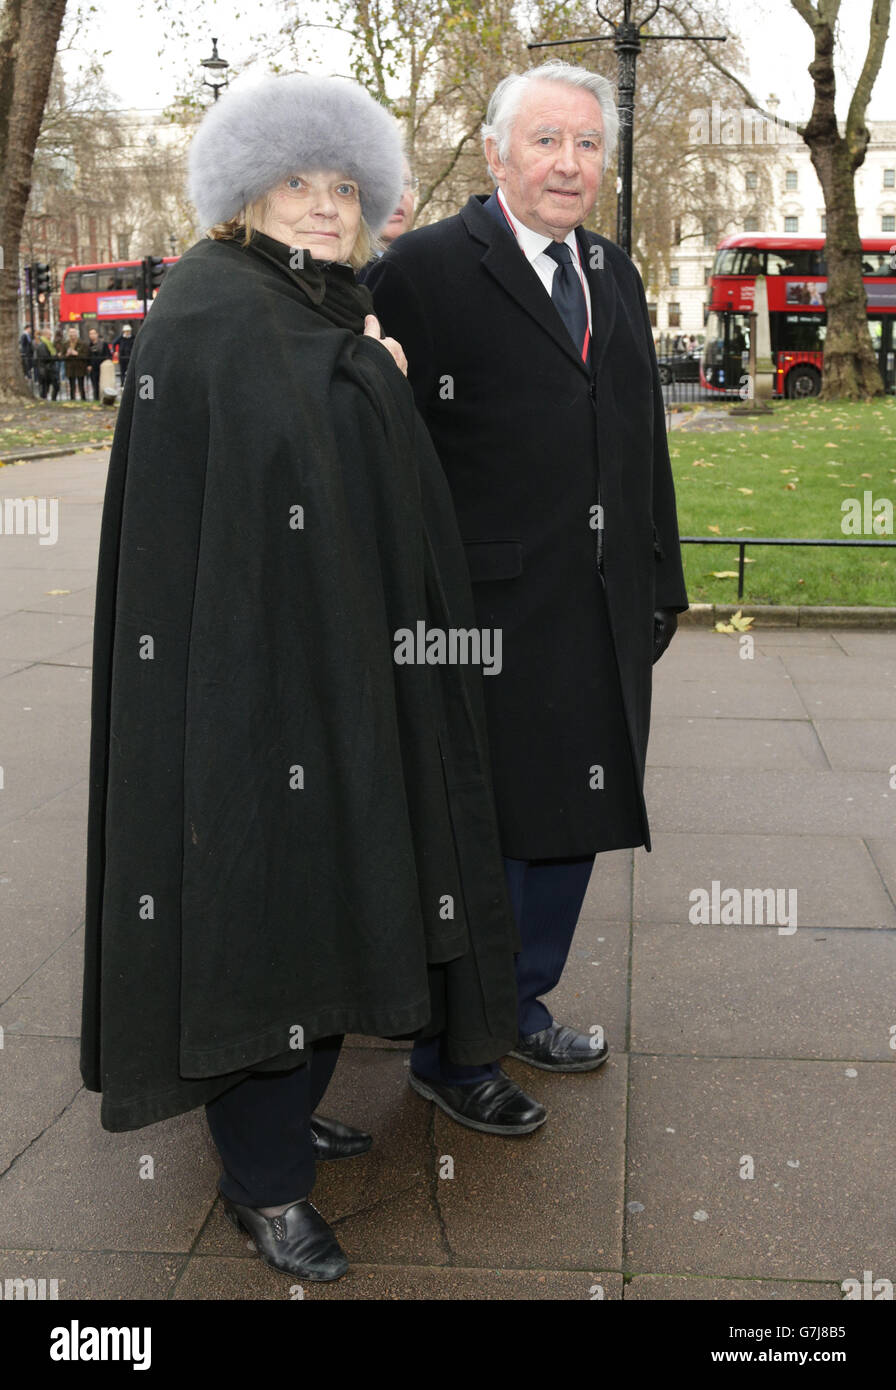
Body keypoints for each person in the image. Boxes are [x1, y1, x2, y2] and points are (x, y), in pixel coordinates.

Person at [81, 72, 519, 1287]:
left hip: (325, 656)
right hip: (249, 676)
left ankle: (279, 1122)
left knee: (328, 885)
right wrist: (374, 373)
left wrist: (364, 363)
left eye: (343, 185)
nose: (325, 204)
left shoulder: (312, 298)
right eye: (295, 182)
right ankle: (262, 1182)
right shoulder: (218, 304)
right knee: (268, 903)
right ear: (244, 193)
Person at [367, 60, 688, 1133]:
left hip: (600, 607)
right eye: (546, 140)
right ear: (495, 152)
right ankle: (452, 1053)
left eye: (587, 144)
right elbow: (379, 449)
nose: (568, 163)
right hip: (479, 619)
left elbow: (639, 433)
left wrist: (660, 576)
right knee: (482, 833)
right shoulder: (420, 269)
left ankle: (520, 1002)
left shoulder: (609, 268)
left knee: (575, 814)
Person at [357, 156, 417, 282]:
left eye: (405, 183)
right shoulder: (330, 274)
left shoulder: (433, 265)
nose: (398, 194)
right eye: (382, 184)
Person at [64, 327, 89, 399]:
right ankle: (72, 399)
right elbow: (61, 356)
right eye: (70, 333)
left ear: (76, 334)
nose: (72, 334)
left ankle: (83, 398)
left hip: (80, 367)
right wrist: (67, 354)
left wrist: (77, 354)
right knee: (72, 385)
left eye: (73, 332)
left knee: (81, 384)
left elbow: (86, 355)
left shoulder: (82, 344)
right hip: (70, 368)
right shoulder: (65, 344)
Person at [87, 327, 111, 400]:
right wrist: (88, 365)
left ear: (97, 334)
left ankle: (105, 398)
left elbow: (108, 355)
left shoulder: (104, 344)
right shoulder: (89, 345)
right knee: (95, 384)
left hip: (103, 368)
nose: (92, 335)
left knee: (104, 384)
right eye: (90, 334)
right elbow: (87, 356)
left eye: (93, 333)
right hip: (93, 368)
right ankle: (96, 398)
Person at [34, 330, 59, 399]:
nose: (50, 337)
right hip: (46, 370)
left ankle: (52, 399)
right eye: (49, 335)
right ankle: (46, 399)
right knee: (46, 388)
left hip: (49, 369)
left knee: (53, 386)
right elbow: (45, 357)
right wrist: (55, 356)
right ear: (45, 335)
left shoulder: (48, 344)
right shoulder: (42, 345)